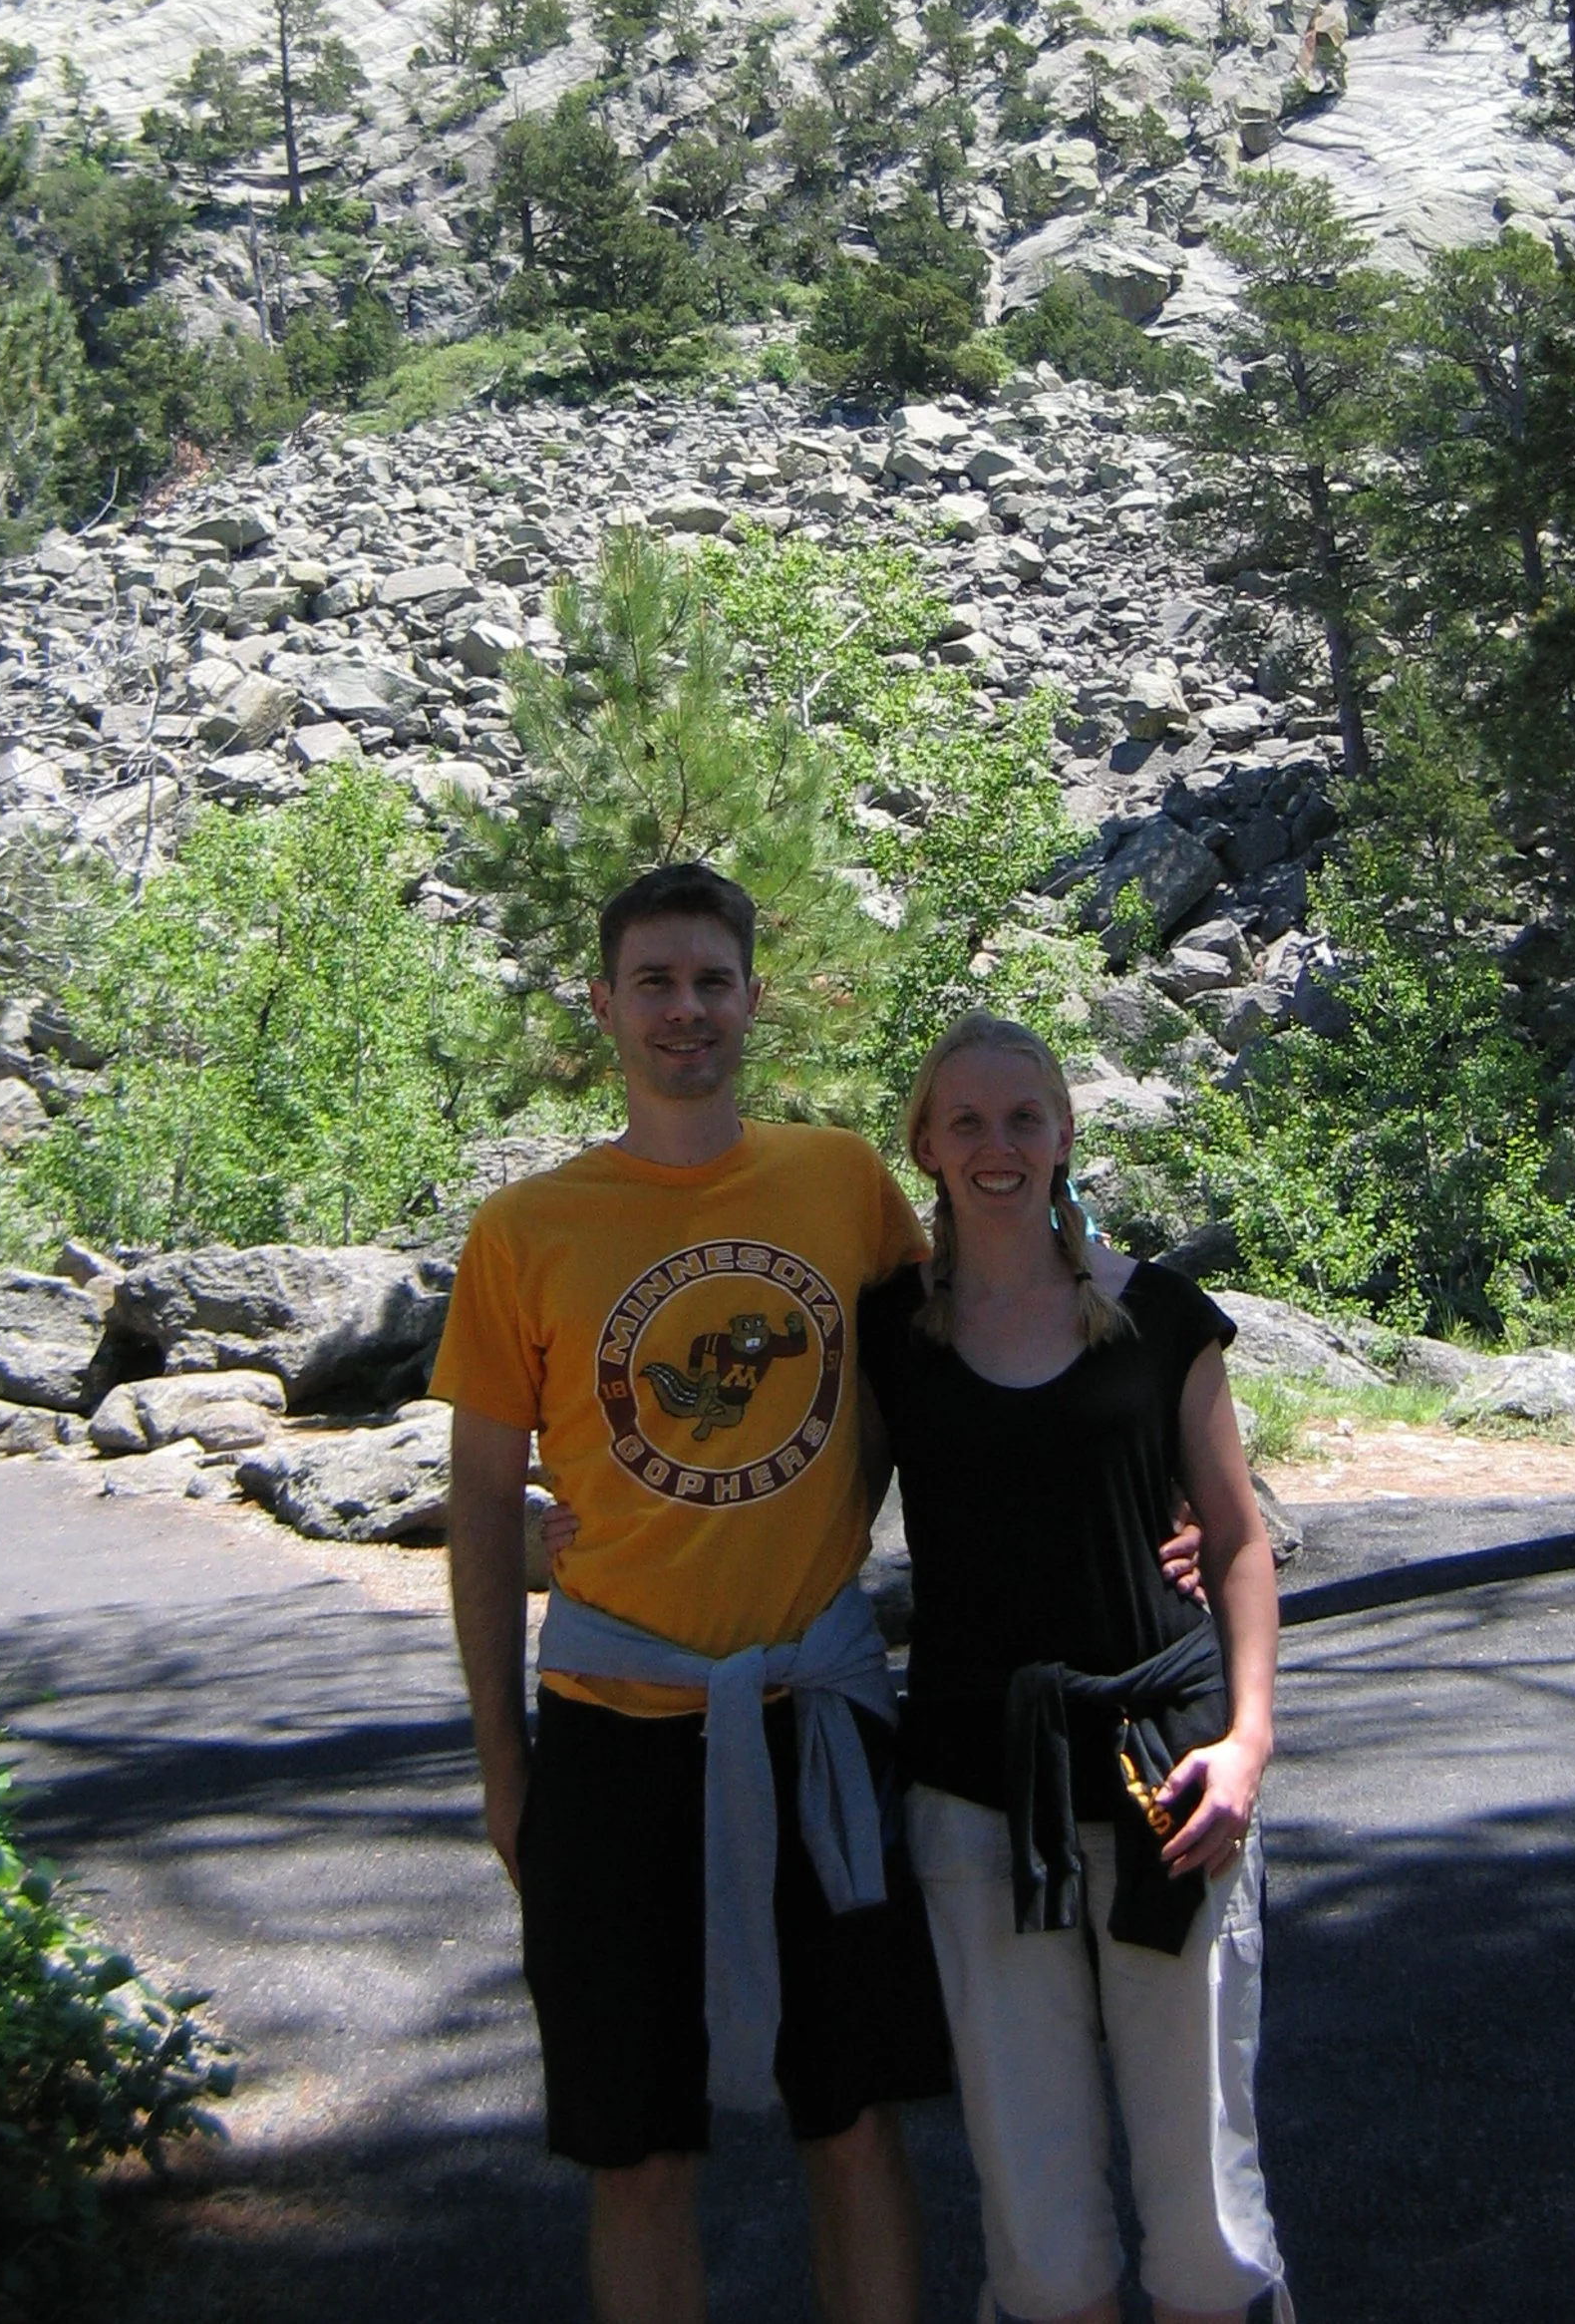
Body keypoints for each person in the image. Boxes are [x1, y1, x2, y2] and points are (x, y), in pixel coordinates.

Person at [435, 862, 950, 2324]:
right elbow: (481, 1506)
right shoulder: (526, 1228)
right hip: (610, 1730)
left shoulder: (841, 1183)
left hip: (819, 1722)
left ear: (751, 997)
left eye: (710, 980)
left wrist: (1155, 1489)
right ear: (602, 1005)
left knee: (851, 2119)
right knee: (636, 2146)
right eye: (653, 982)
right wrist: (501, 1761)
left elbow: (964, 1379)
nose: (685, 1010)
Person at [859, 1011, 1291, 2324]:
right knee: (1042, 2246)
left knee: (1208, 2230)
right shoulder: (892, 1333)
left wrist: (1250, 1740)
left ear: (1064, 1136)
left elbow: (1235, 1538)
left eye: (1025, 1118)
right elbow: (810, 1529)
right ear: (926, 1145)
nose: (1000, 1146)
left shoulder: (1158, 1317)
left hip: (1171, 1778)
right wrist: (595, 1535)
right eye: (969, 1121)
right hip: (974, 1794)